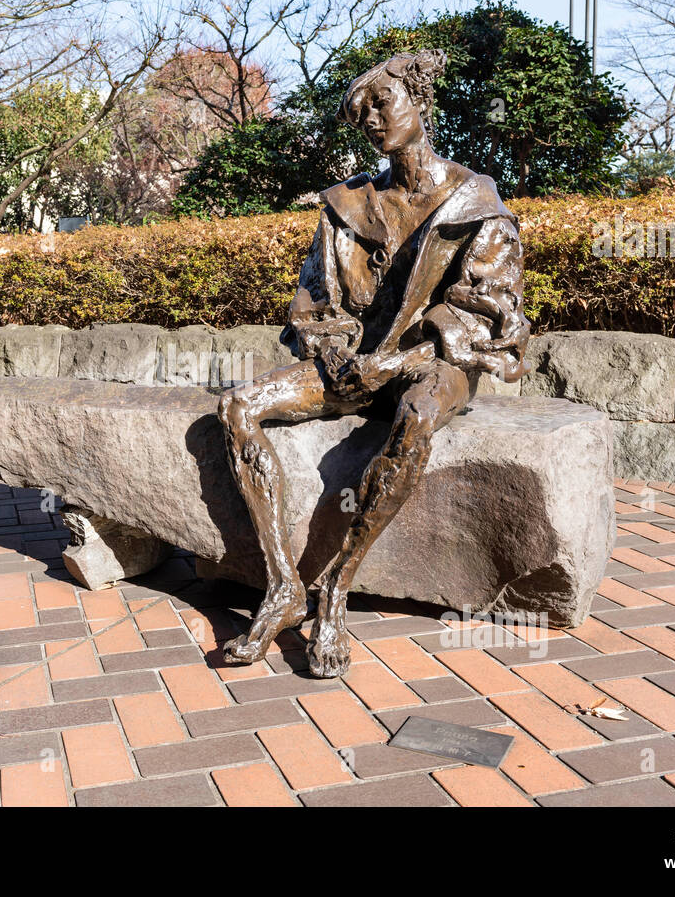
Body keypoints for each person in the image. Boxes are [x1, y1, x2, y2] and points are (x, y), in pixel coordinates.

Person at [216, 50, 530, 677]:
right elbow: (315, 300)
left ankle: (336, 587)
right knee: (237, 406)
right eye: (359, 113)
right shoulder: (346, 206)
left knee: (413, 415)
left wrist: (398, 362)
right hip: (358, 362)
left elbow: (490, 308)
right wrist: (336, 353)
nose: (370, 119)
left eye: (381, 102)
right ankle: (284, 587)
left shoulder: (476, 202)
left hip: (433, 363)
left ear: (421, 101)